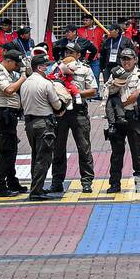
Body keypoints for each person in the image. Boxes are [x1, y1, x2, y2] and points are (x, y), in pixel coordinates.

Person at [19, 53, 69, 200]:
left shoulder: (25, 83)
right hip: (44, 124)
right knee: (44, 158)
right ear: (40, 68)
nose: (48, 68)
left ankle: (37, 187)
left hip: (29, 124)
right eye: (46, 66)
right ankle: (36, 191)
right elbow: (57, 104)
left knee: (36, 156)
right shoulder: (46, 83)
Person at [51, 50, 98, 193]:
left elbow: (93, 90)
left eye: (71, 52)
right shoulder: (56, 68)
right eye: (65, 52)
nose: (67, 54)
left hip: (79, 111)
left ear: (78, 54)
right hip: (61, 111)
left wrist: (74, 93)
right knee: (58, 148)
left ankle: (87, 181)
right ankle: (57, 181)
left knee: (84, 148)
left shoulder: (84, 69)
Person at [105, 49, 140, 194]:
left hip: (133, 117)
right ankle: (115, 184)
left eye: (129, 59)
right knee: (116, 154)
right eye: (123, 59)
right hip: (117, 119)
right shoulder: (115, 74)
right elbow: (107, 92)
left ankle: (139, 184)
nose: (126, 61)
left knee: (138, 153)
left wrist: (117, 105)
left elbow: (136, 95)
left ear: (135, 59)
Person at [0, 49, 28, 197]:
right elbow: (9, 89)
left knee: (12, 150)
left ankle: (12, 181)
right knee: (6, 152)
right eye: (16, 64)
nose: (17, 67)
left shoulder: (8, 72)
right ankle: (0, 187)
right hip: (3, 115)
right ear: (8, 60)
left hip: (10, 115)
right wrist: (22, 79)